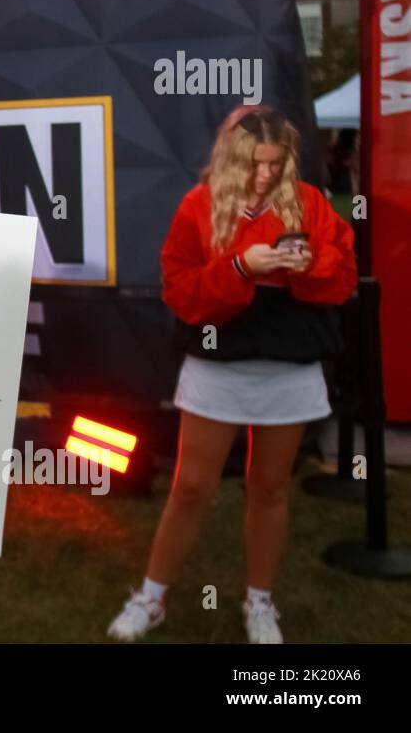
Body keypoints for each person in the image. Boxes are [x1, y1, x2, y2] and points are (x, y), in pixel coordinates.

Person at [107, 106, 357, 644]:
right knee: (191, 487)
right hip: (218, 362)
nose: (265, 173)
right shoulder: (198, 206)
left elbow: (341, 280)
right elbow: (182, 292)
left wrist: (304, 265)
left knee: (268, 489)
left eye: (275, 161)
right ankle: (151, 597)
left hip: (288, 364)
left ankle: (259, 603)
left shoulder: (309, 202)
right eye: (253, 161)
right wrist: (243, 267)